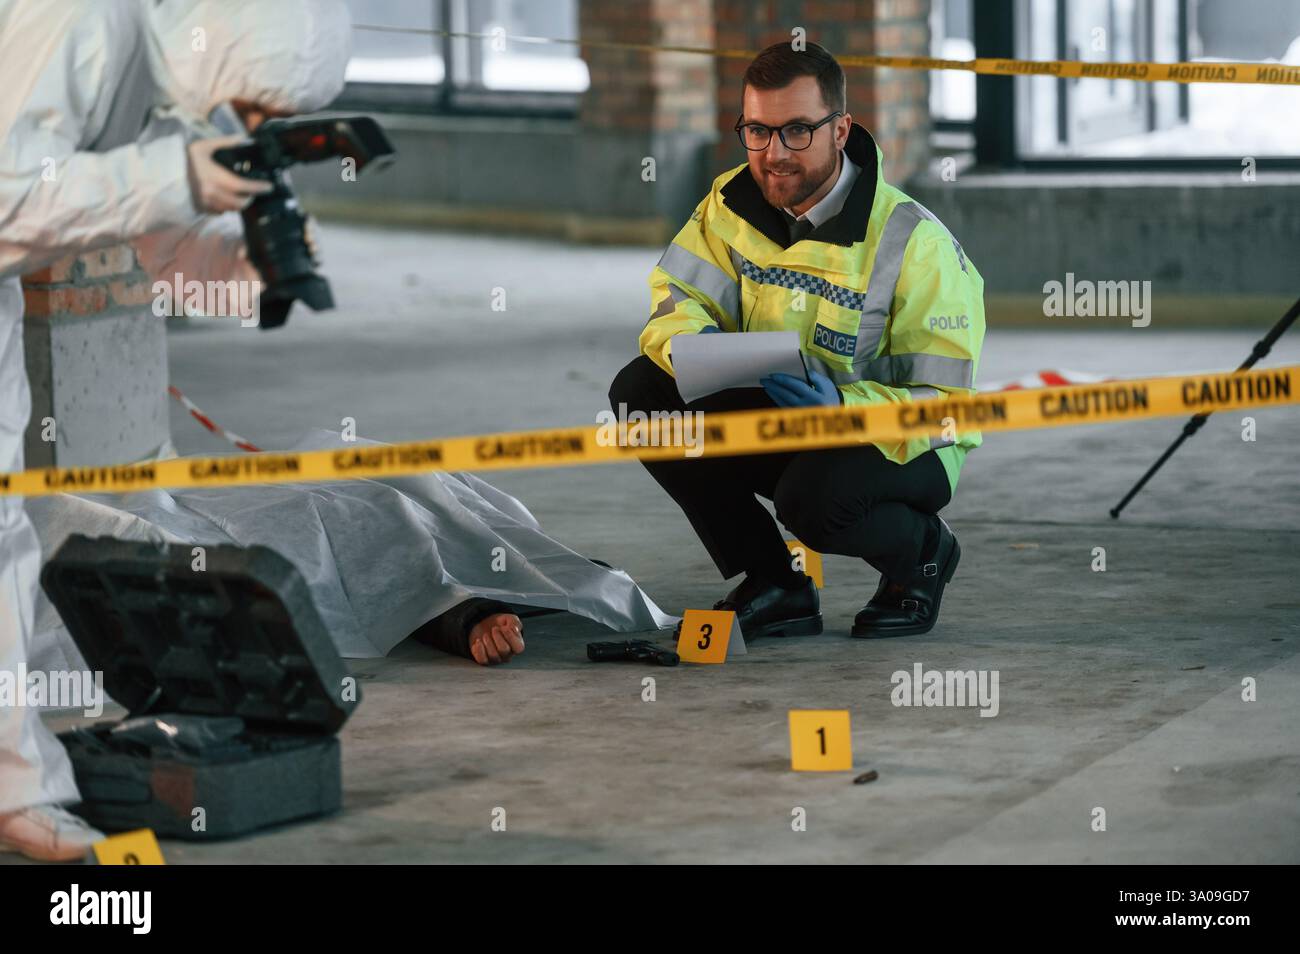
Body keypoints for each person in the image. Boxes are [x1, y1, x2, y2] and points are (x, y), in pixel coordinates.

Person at [0, 0, 355, 862]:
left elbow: (138, 230)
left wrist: (238, 265)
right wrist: (176, 176)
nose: (256, 126)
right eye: (256, 106)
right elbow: (11, 194)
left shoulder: (172, 61)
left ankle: (16, 792)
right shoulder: (77, 21)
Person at [608, 41, 985, 643]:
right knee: (641, 394)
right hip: (788, 421)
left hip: (901, 445)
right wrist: (693, 346)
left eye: (797, 131)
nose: (773, 153)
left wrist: (843, 411)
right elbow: (674, 299)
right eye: (756, 130)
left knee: (813, 505)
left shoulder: (916, 245)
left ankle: (921, 554)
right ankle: (777, 583)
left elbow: (947, 408)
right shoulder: (728, 204)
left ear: (841, 130)